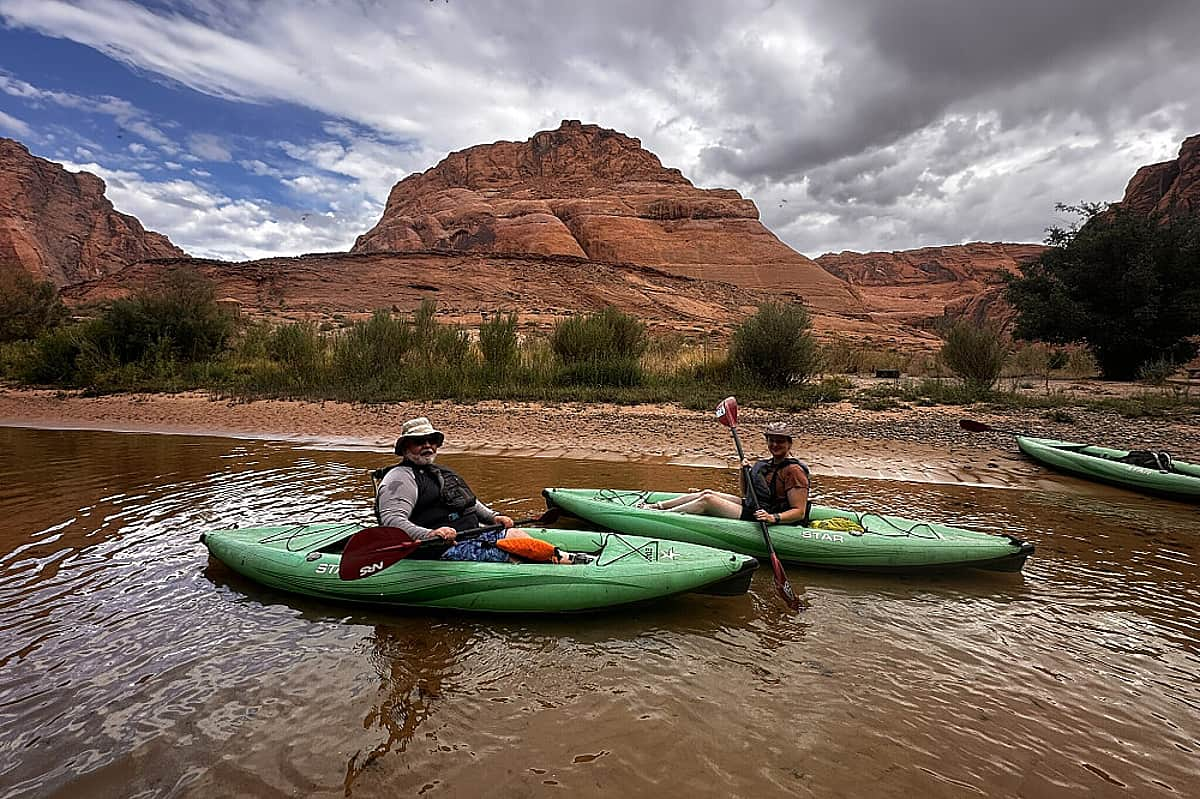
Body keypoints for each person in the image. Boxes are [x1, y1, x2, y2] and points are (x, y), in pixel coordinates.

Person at [376, 417, 583, 563]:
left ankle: (565, 559)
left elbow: (468, 503)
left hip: (472, 536)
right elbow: (392, 522)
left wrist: (493, 517)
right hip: (439, 548)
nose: (428, 445)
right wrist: (431, 533)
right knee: (516, 554)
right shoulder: (399, 478)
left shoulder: (441, 471)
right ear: (405, 448)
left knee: (516, 534)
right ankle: (565, 564)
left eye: (432, 440)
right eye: (420, 441)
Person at [642, 421, 810, 525]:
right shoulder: (767, 465)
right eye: (771, 440)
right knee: (707, 492)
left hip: (765, 515)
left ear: (789, 444)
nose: (775, 444)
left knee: (708, 500)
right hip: (756, 507)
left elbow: (799, 511)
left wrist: (774, 518)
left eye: (780, 441)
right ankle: (657, 507)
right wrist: (743, 472)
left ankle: (662, 518)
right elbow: (746, 493)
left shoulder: (794, 471)